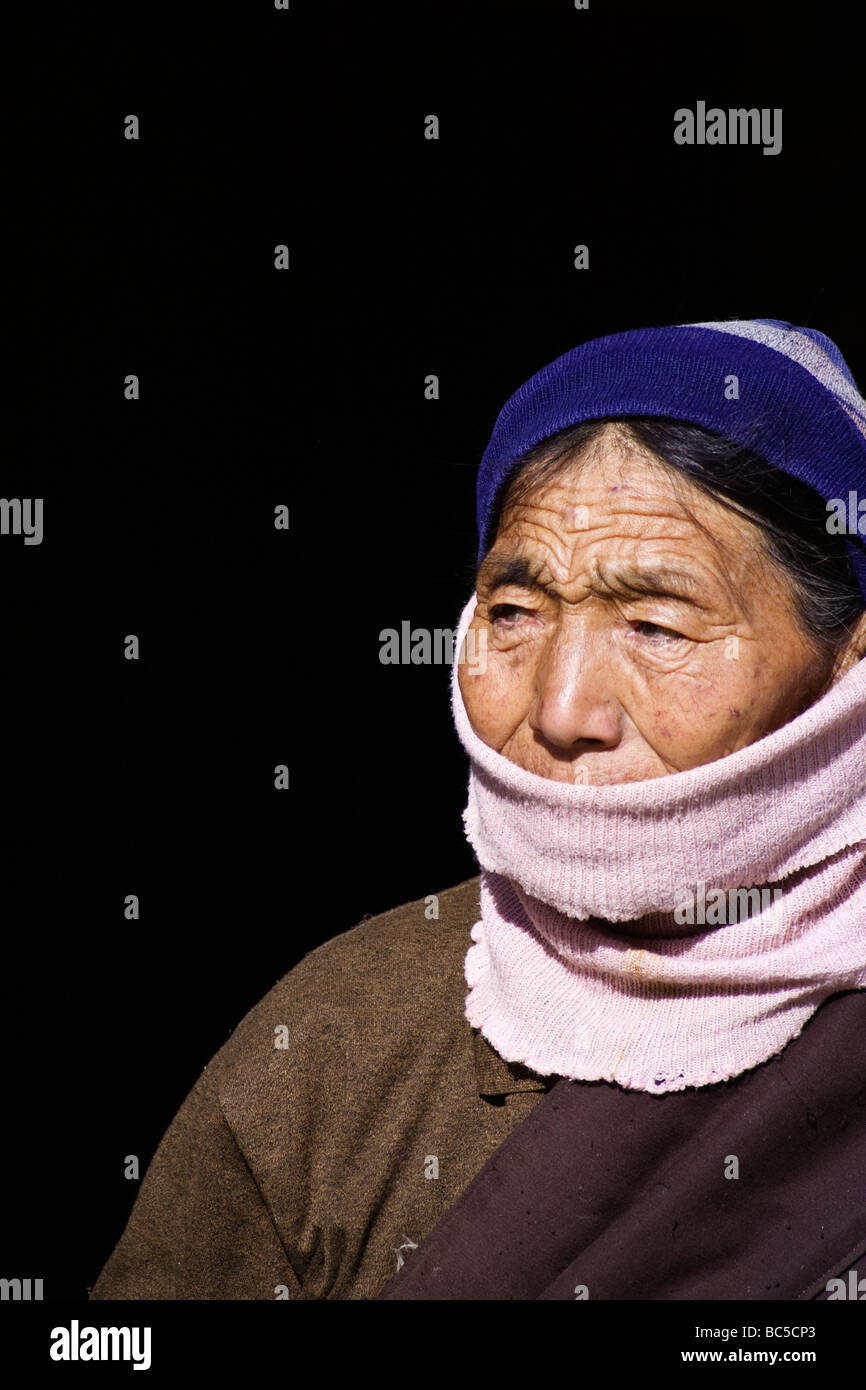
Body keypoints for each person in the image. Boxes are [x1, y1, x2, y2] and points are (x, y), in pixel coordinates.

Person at [89, 318, 866, 1301]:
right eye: (512, 614)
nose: (559, 710)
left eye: (655, 625)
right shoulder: (332, 1048)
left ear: (847, 662)